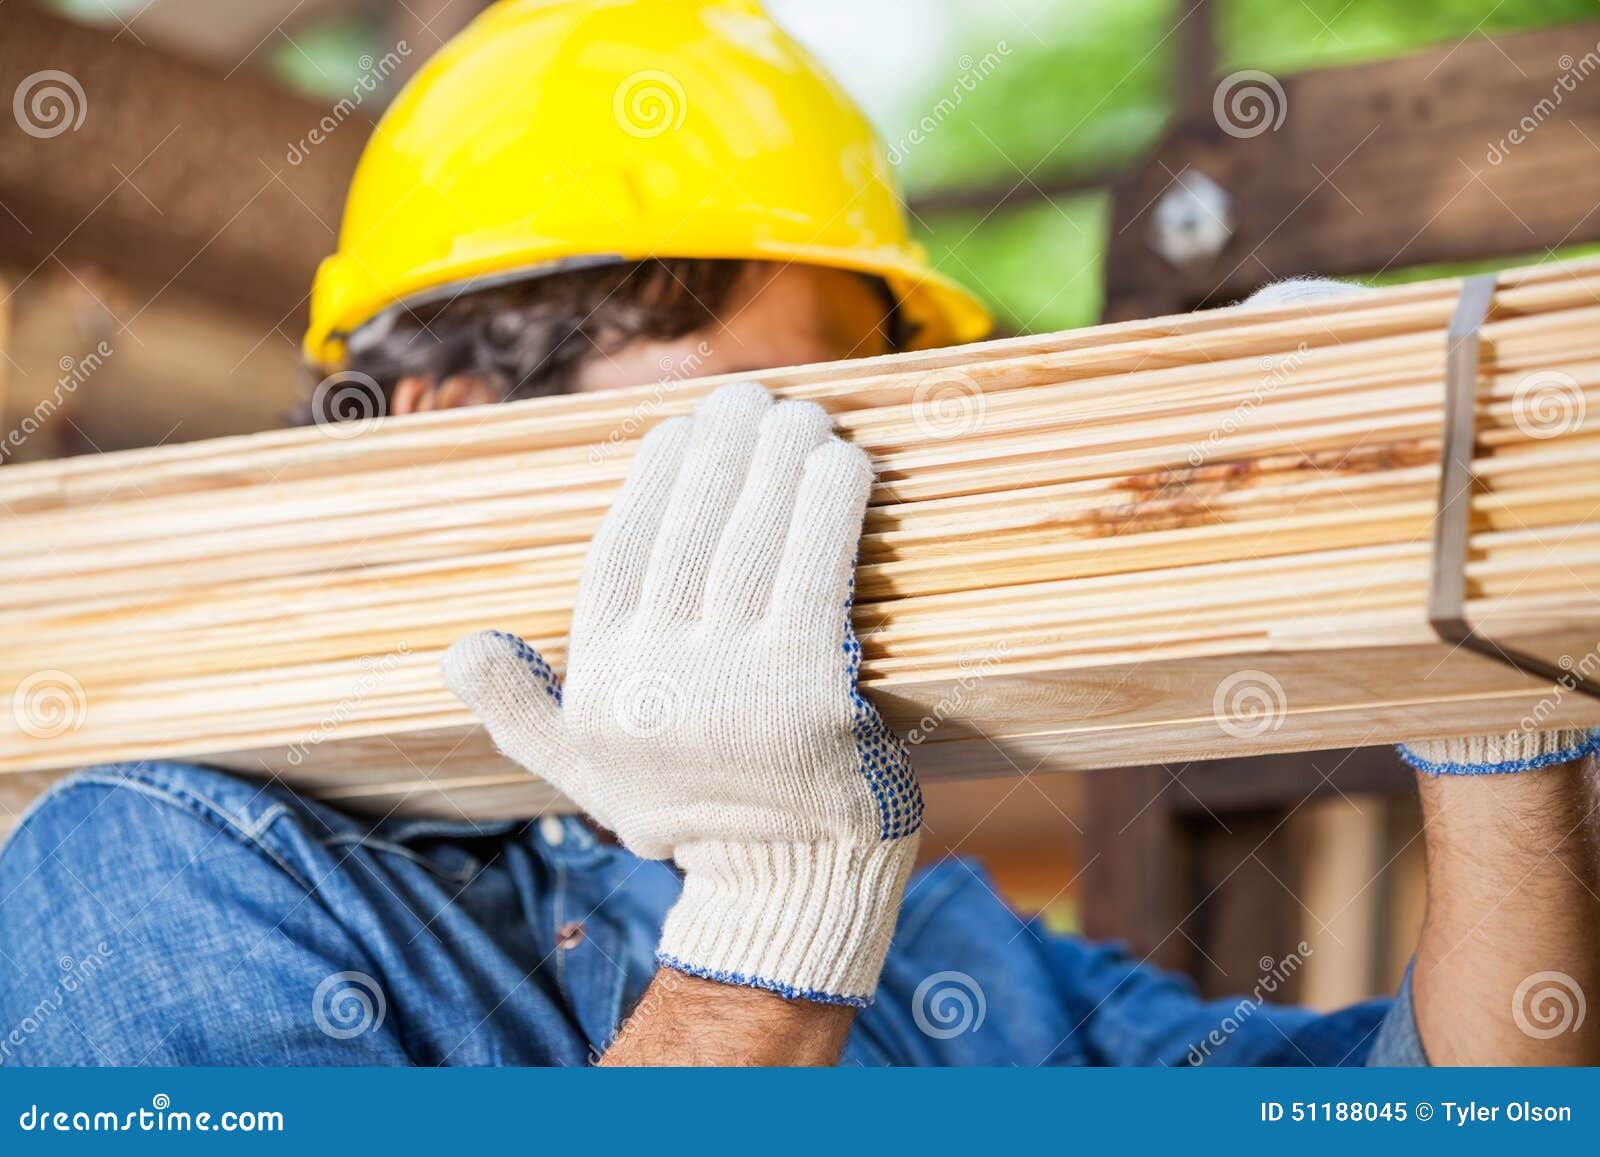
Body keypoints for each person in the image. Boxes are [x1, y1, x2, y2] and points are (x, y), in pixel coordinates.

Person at [1, 0, 1595, 1068]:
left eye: (852, 436)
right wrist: (764, 944)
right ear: (446, 425)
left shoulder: (945, 949)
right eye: (744, 430)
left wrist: (1490, 711)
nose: (824, 505)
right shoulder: (155, 879)